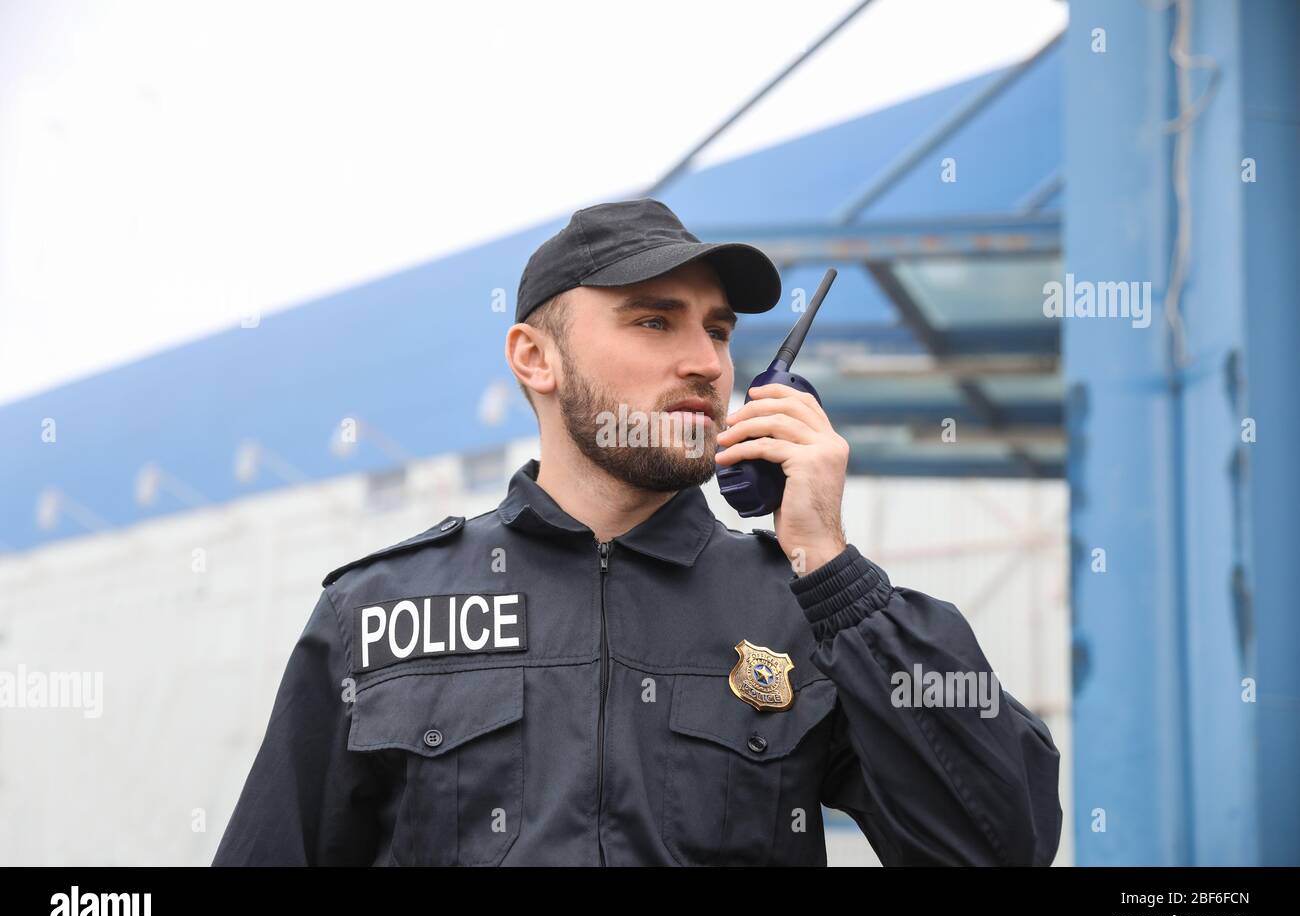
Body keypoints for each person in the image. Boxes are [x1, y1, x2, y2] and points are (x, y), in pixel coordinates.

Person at [212, 198, 1062, 866]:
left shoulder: (803, 612)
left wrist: (834, 569)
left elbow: (999, 845)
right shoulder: (380, 611)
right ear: (534, 359)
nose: (706, 362)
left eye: (719, 330)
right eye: (655, 322)